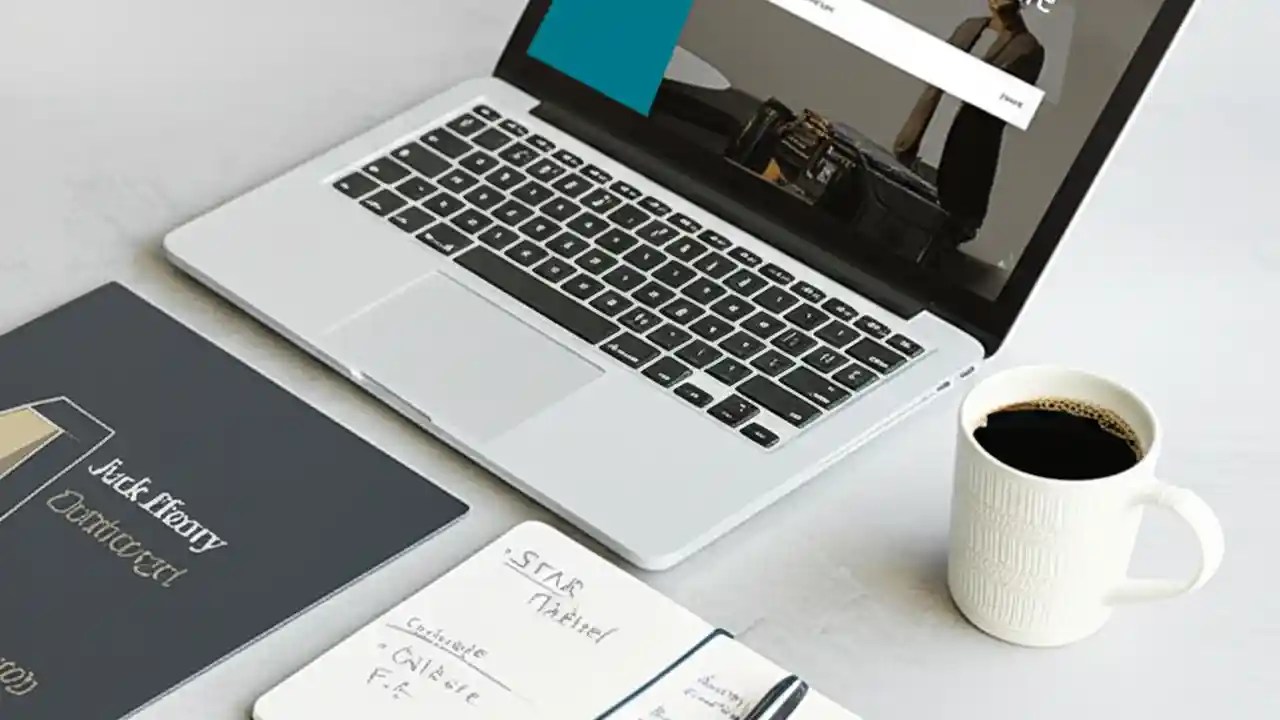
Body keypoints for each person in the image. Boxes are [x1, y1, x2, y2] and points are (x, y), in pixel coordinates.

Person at [894, 0, 1045, 247]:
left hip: (960, 163)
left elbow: (1003, 108)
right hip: (919, 146)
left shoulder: (1027, 48)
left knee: (932, 241)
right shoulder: (969, 27)